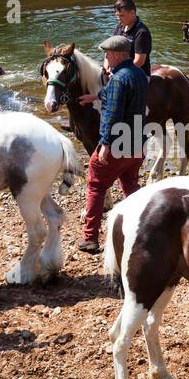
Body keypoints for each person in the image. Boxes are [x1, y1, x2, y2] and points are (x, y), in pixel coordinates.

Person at [75, 35, 148, 254]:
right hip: (136, 144)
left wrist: (105, 143)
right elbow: (115, 96)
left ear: (117, 54)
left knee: (96, 185)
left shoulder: (118, 79)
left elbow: (112, 113)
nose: (105, 57)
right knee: (131, 187)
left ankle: (90, 238)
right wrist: (94, 96)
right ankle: (144, 231)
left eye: (107, 53)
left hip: (116, 145)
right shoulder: (139, 75)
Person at [111, 0, 152, 69]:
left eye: (121, 16)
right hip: (119, 70)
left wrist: (120, 73)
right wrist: (106, 67)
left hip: (138, 74)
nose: (118, 19)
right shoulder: (119, 27)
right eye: (117, 16)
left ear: (132, 13)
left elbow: (139, 61)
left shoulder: (141, 32)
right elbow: (109, 50)